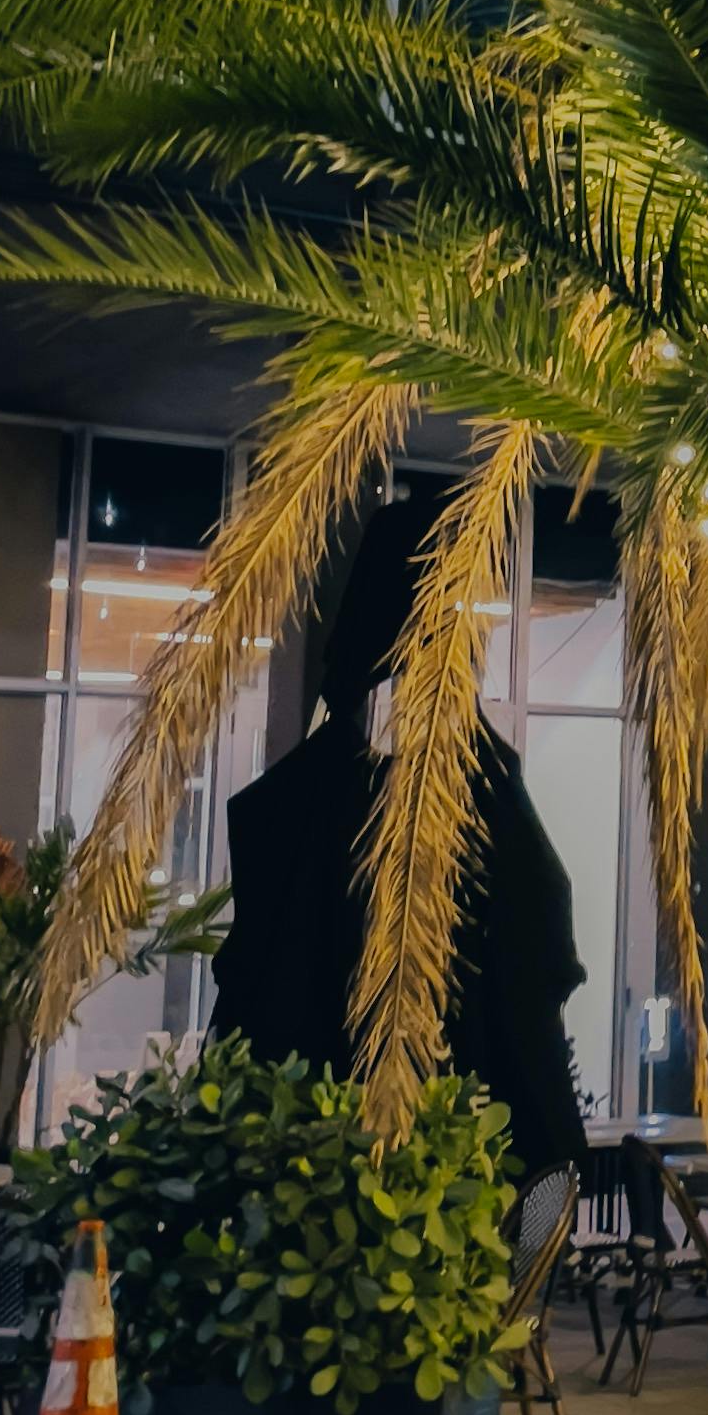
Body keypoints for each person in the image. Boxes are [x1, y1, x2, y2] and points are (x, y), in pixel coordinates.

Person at [210, 497, 588, 1176]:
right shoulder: (467, 786)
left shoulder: (318, 796)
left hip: (334, 1132)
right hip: (442, 1126)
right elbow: (540, 934)